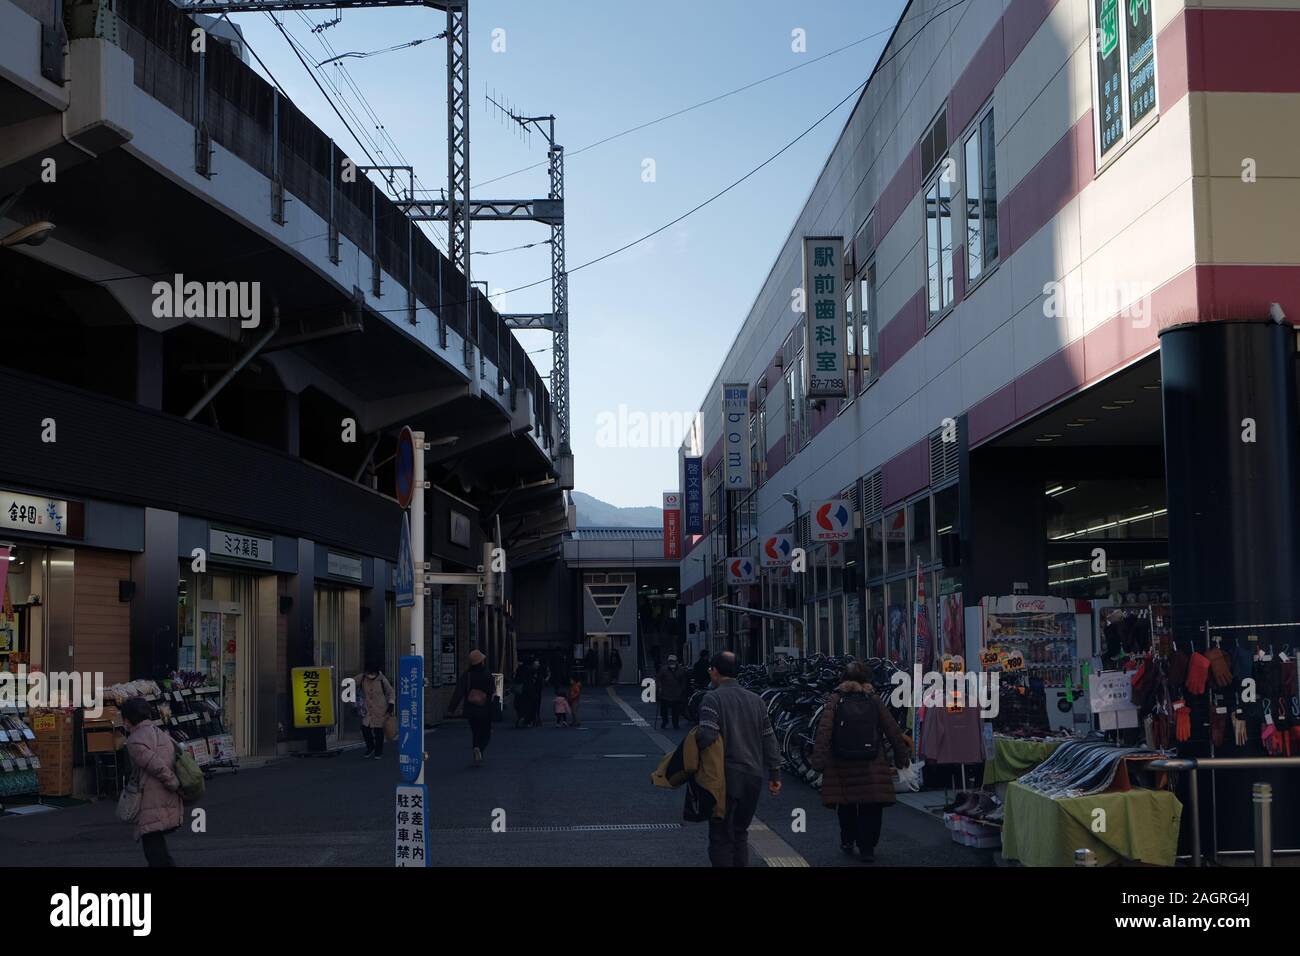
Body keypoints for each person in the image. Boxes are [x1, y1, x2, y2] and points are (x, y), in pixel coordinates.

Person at [810, 661, 912, 863]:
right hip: (872, 762)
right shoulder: (874, 699)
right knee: (871, 806)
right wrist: (902, 757)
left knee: (846, 804)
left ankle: (848, 840)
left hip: (842, 762)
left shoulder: (836, 699)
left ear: (843, 679)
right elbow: (892, 729)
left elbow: (824, 731)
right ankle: (867, 848)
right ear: (867, 679)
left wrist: (819, 761)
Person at [695, 651, 782, 867]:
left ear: (714, 671)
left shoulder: (712, 699)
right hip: (752, 777)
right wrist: (775, 773)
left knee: (721, 837)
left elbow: (706, 736)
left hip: (724, 778)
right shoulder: (756, 701)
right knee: (741, 833)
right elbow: (769, 739)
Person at [121, 695, 183, 867]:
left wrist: (172, 781)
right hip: (165, 795)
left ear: (127, 719)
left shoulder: (135, 740)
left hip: (151, 799)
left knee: (156, 854)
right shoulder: (161, 733)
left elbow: (154, 764)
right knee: (156, 847)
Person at [448, 649, 496, 766]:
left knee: (475, 731)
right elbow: (492, 690)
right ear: (481, 662)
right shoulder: (486, 673)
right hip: (484, 708)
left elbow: (458, 692)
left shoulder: (467, 675)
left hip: (470, 708)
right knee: (486, 732)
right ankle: (480, 748)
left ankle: (475, 747)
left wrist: (452, 708)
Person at [354, 663, 394, 758]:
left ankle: (378, 751)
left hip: (380, 709)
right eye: (368, 673)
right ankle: (370, 747)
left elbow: (391, 691)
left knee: (378, 731)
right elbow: (351, 682)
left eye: (372, 674)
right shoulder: (362, 677)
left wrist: (391, 703)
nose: (370, 676)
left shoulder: (382, 680)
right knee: (365, 729)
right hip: (367, 709)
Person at [655, 654, 689, 729]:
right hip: (665, 693)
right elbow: (658, 679)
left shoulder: (681, 670)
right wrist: (659, 687)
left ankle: (675, 723)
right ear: (668, 662)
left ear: (676, 661)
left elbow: (683, 680)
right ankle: (665, 721)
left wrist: (682, 689)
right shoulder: (663, 669)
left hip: (676, 693)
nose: (671, 662)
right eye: (670, 661)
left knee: (676, 711)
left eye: (673, 661)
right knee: (664, 710)